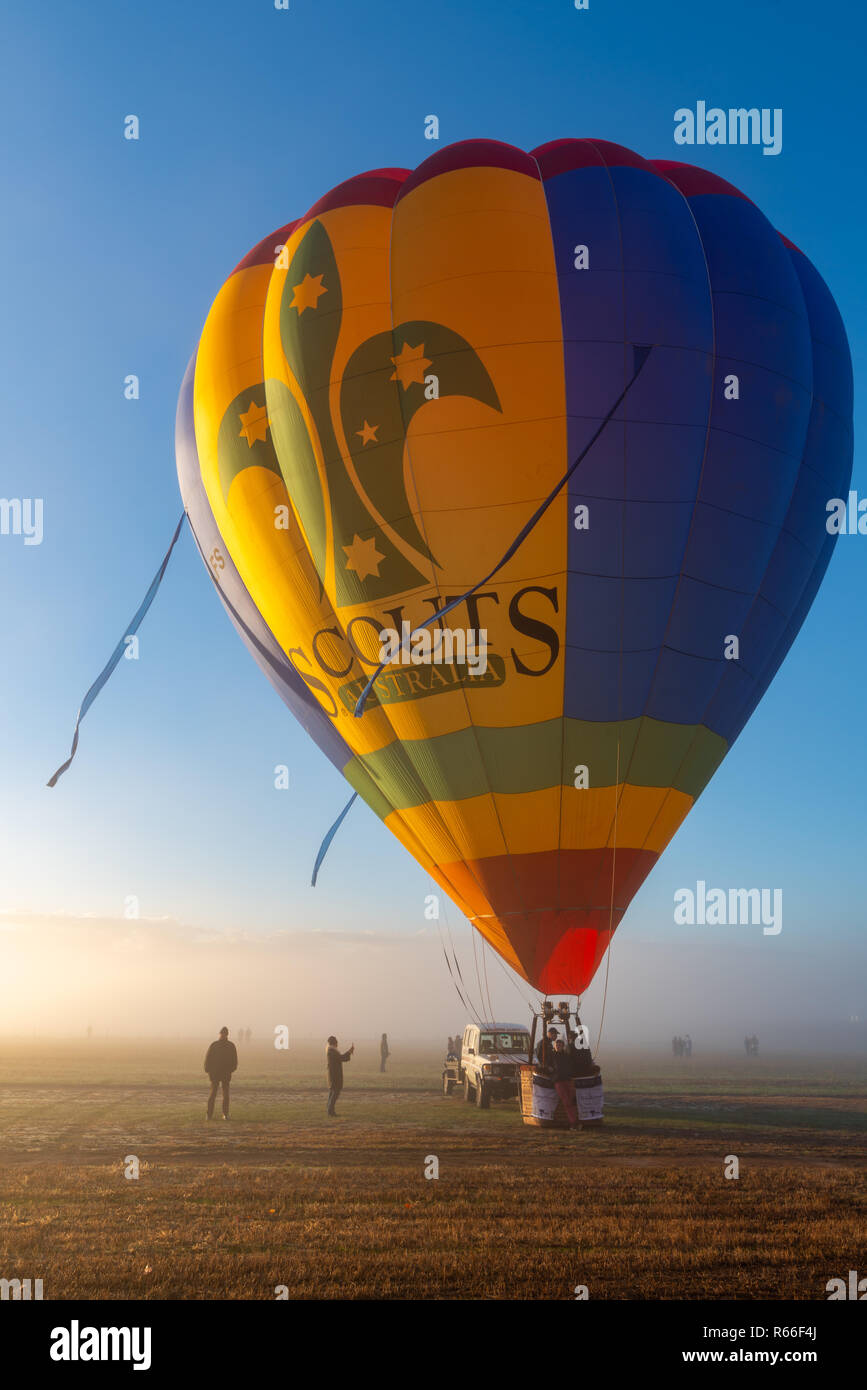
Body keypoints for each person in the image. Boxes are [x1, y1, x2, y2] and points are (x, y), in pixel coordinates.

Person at [204, 1026, 238, 1120]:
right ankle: (209, 1114)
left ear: (227, 1035)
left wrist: (231, 1070)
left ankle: (225, 1114)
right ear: (220, 1034)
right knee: (213, 1094)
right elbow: (208, 1059)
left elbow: (234, 1061)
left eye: (224, 1034)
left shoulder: (230, 1046)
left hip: (225, 1074)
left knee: (225, 1095)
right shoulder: (214, 1045)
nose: (223, 1035)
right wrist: (208, 1070)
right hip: (215, 1074)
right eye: (222, 1034)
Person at [549, 1040, 579, 1130]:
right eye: (556, 1045)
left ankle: (575, 1122)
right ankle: (573, 1122)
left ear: (563, 1046)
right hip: (559, 1081)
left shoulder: (567, 1056)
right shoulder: (552, 1056)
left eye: (560, 1045)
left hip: (568, 1080)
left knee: (572, 1101)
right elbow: (548, 1066)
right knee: (567, 1102)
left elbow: (571, 1067)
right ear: (554, 1046)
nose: (558, 1047)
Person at [326, 1034, 354, 1116]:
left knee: (332, 1092)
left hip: (333, 1074)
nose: (337, 1044)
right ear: (334, 1043)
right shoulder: (332, 1051)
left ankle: (329, 1109)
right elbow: (342, 1058)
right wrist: (349, 1052)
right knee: (335, 1092)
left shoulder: (331, 1050)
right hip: (335, 1075)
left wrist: (349, 1052)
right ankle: (330, 1111)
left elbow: (341, 1058)